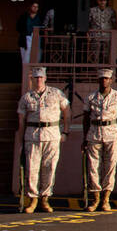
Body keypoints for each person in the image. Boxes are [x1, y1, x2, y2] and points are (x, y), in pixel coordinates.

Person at [16, 66, 71, 213]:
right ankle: (33, 199)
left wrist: (65, 131)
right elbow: (21, 121)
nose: (39, 80)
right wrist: (21, 142)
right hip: (32, 136)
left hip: (52, 135)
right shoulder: (26, 98)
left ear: (45, 78)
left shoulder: (56, 93)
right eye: (36, 77)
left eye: (41, 77)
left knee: (50, 168)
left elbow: (67, 112)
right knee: (32, 169)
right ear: (32, 79)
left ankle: (45, 199)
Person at [82, 67, 117, 212]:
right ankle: (95, 199)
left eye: (106, 78)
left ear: (111, 80)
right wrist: (85, 137)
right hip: (94, 133)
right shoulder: (91, 97)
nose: (104, 81)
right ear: (98, 80)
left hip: (112, 134)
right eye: (101, 78)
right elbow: (86, 118)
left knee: (110, 166)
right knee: (93, 167)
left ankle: (106, 199)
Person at [87, 0, 117, 65]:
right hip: (95, 36)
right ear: (97, 1)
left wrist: (113, 35)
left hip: (107, 36)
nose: (102, 2)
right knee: (94, 55)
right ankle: (94, 71)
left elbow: (114, 24)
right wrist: (88, 34)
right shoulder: (92, 10)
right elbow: (87, 23)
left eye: (104, 0)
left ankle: (104, 72)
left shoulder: (111, 11)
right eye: (101, 0)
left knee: (106, 55)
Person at [17, 1, 44, 71]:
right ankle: (25, 77)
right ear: (30, 7)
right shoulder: (24, 16)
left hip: (37, 39)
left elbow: (44, 28)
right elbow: (18, 27)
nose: (35, 8)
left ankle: (34, 77)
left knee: (37, 57)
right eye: (33, 6)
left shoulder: (40, 17)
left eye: (37, 7)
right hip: (25, 39)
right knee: (25, 58)